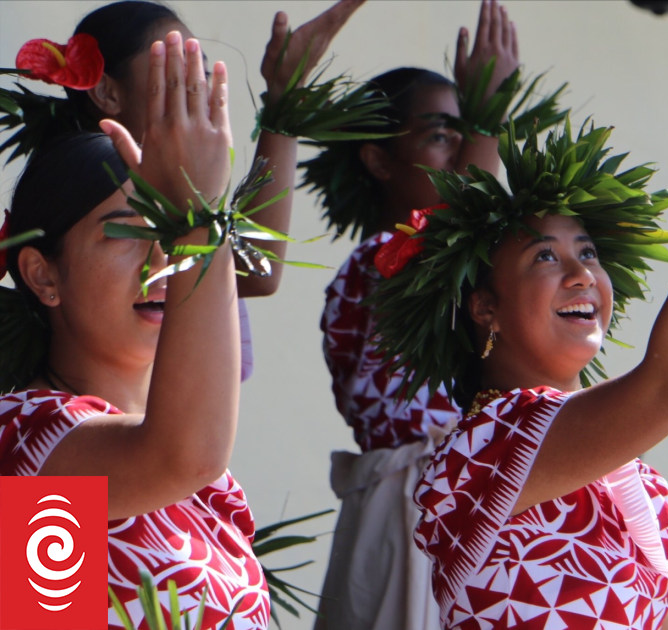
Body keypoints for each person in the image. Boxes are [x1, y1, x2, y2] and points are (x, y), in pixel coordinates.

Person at [367, 33, 668, 629]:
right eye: (545, 257)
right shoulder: (483, 451)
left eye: (589, 252)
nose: (581, 274)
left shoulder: (627, 471)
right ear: (485, 308)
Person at [0, 32, 265, 627]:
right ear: (44, 275)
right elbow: (182, 456)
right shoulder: (22, 442)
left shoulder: (212, 483)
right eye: (125, 232)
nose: (161, 260)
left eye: (168, 233)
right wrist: (199, 215)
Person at [310, 2, 518, 628]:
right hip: (410, 509)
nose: (458, 149)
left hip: (445, 498)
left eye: (462, 133)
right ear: (378, 159)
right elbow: (465, 226)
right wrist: (487, 118)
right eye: (440, 134)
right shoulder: (382, 260)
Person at [62, 0, 362, 379]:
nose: (199, 92)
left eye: (201, 74)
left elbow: (256, 267)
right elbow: (256, 267)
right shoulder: (98, 195)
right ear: (106, 93)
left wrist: (286, 93)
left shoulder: (166, 197)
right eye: (176, 73)